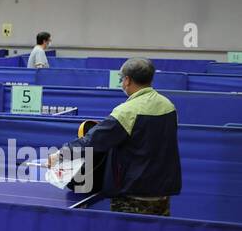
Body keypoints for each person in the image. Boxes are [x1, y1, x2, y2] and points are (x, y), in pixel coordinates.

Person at [48, 58, 181, 215]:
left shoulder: (127, 111)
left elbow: (93, 141)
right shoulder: (168, 106)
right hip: (162, 193)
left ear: (127, 80)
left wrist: (61, 155)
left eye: (121, 79)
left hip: (133, 196)